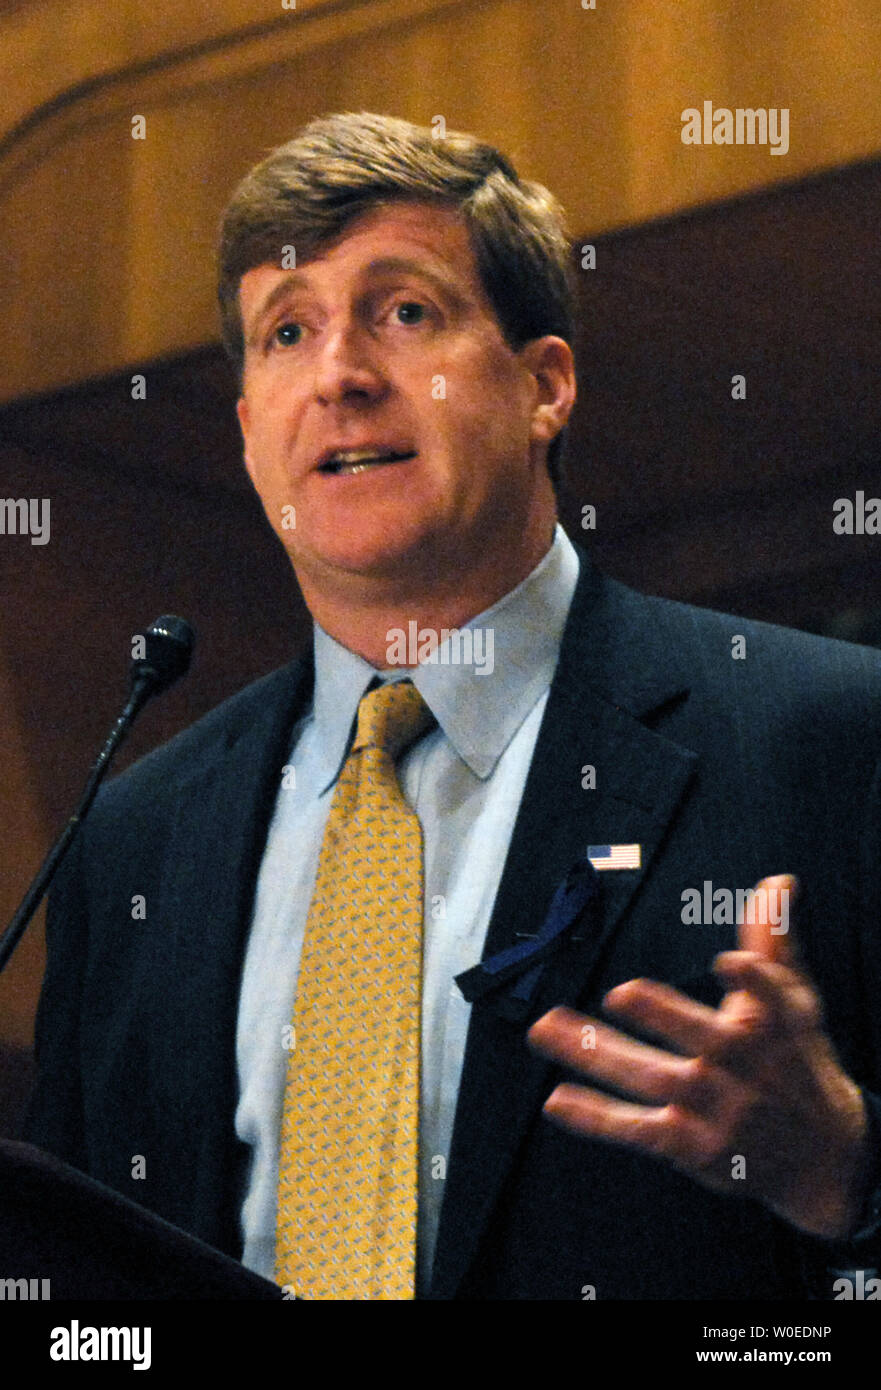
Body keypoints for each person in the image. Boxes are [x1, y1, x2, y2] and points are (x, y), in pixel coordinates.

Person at [26, 111, 881, 1300]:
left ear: (543, 386)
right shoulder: (133, 839)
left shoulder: (829, 738)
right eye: (287, 333)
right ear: (247, 436)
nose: (340, 375)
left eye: (404, 312)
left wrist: (844, 1167)